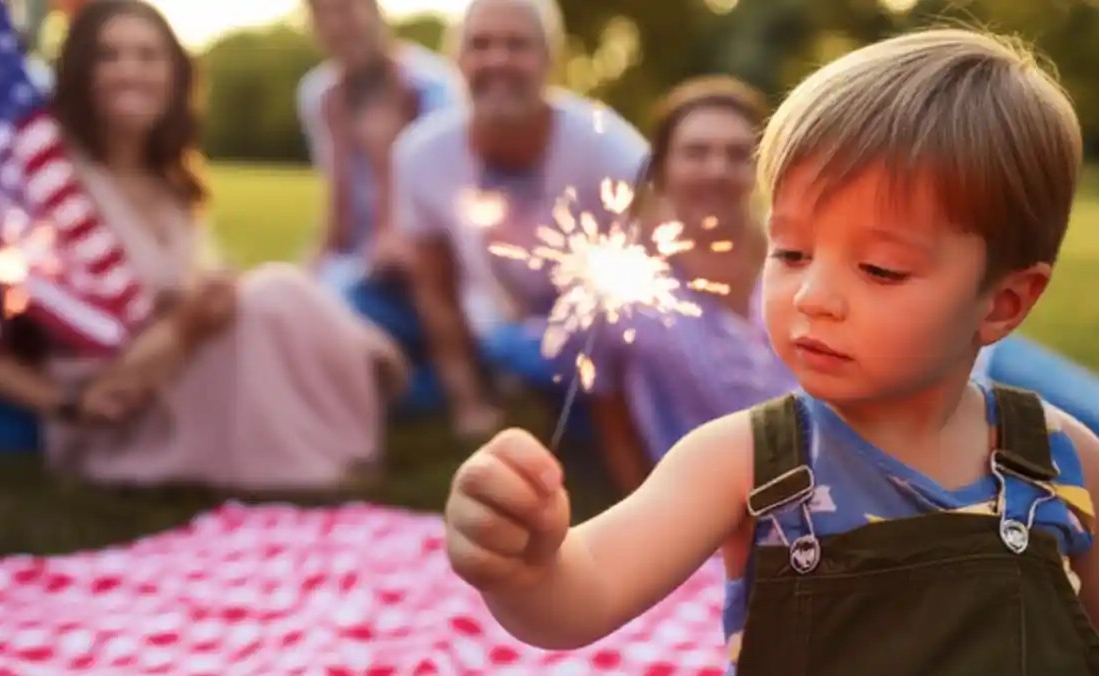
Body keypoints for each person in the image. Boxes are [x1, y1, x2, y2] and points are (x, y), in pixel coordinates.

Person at [444, 29, 1099, 676]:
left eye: (878, 267)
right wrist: (525, 568)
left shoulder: (1066, 464)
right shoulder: (739, 461)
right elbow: (581, 596)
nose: (812, 297)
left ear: (1003, 303)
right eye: (791, 253)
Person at [587, 74, 1099, 605]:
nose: (717, 169)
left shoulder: (805, 241)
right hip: (888, 457)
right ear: (662, 167)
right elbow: (601, 398)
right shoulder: (629, 295)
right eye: (697, 151)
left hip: (981, 358)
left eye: (735, 153)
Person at [41, 0, 406, 489]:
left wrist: (203, 299)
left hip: (185, 356)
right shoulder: (60, 182)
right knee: (275, 293)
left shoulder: (171, 184)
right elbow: (85, 337)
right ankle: (365, 372)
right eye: (109, 56)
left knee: (272, 292)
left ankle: (354, 394)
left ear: (173, 78)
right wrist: (188, 319)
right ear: (81, 72)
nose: (130, 71)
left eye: (148, 57)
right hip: (121, 398)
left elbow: (194, 291)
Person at [388, 0, 648, 438]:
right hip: (486, 322)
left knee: (554, 371)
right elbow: (434, 290)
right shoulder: (420, 154)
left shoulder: (610, 148)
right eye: (481, 45)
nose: (498, 60)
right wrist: (467, 404)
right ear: (457, 60)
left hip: (590, 331)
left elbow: (650, 283)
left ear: (550, 60)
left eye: (517, 45)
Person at [298, 0, 460, 350]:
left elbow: (452, 207)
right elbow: (336, 215)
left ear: (374, 10)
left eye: (343, 10)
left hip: (429, 264)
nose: (335, 26)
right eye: (320, 15)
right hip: (355, 267)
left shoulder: (434, 88)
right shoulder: (319, 96)